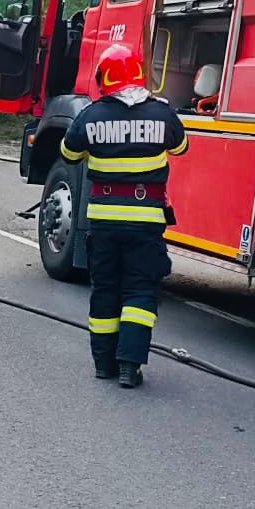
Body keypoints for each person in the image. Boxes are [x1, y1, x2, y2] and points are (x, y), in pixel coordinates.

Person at [59, 43, 188, 388]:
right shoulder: (161, 113)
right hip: (146, 224)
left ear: (105, 77)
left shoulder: (91, 115)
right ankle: (130, 366)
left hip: (103, 223)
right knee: (140, 292)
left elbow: (68, 154)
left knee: (105, 289)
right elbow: (181, 146)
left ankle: (103, 364)